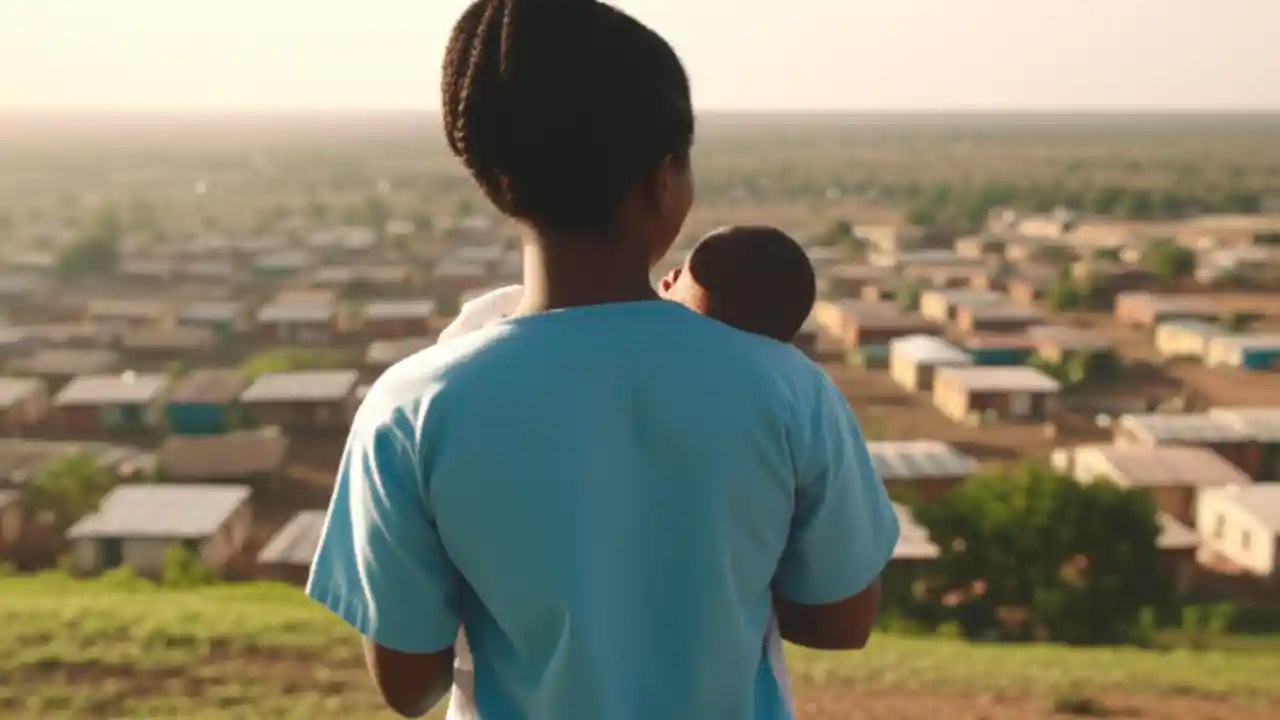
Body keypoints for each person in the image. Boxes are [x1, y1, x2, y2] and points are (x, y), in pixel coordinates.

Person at [306, 1, 900, 718]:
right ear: (663, 179)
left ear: (495, 180)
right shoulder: (786, 388)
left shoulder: (411, 407)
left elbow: (409, 686)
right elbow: (841, 621)